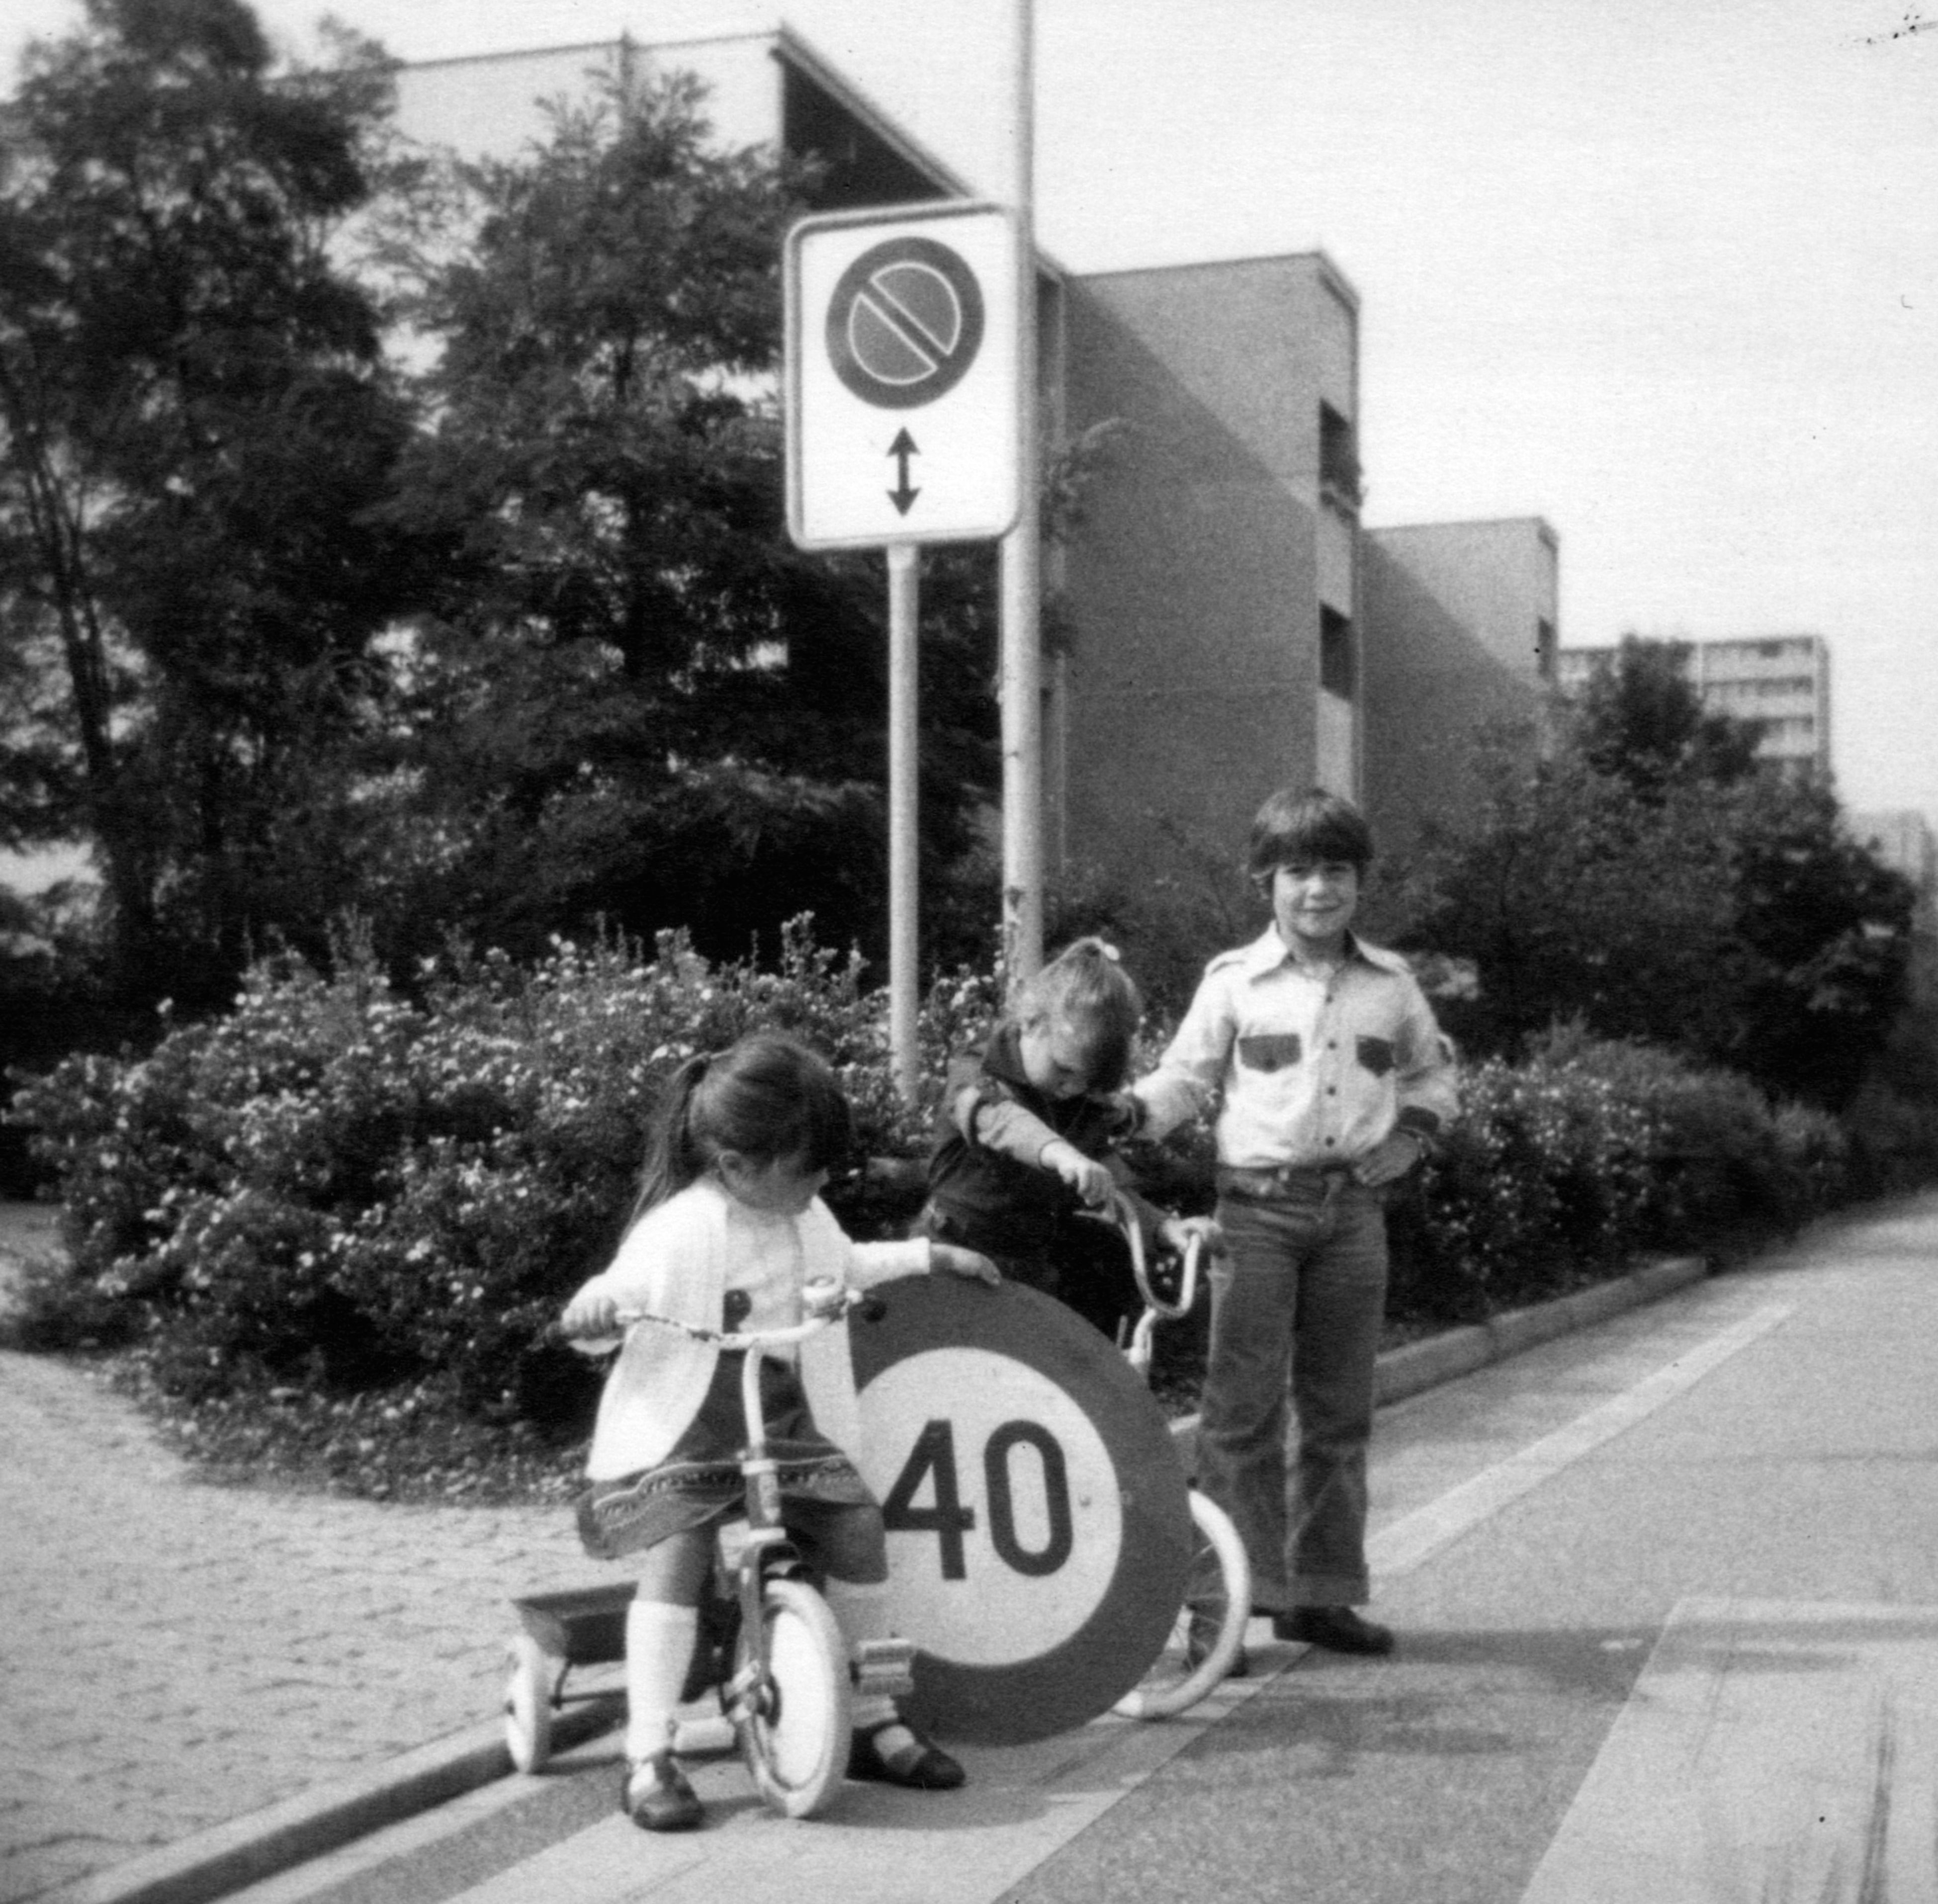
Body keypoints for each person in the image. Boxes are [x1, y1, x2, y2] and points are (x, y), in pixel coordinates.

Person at [560, 1031, 1000, 1832]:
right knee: (680, 1551)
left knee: (857, 1525)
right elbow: (616, 1295)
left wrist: (932, 1256)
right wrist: (592, 1311)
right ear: (737, 1167)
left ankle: (870, 1714)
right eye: (809, 1166)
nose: (824, 1180)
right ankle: (649, 1750)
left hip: (781, 1418)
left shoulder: (807, 1215)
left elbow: (851, 1264)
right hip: (689, 1426)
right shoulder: (680, 1228)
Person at [1124, 789, 1457, 1661]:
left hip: (1351, 1217)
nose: (1317, 890)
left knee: (1339, 1412)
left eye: (1335, 871)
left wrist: (1410, 1139)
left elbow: (1430, 1079)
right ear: (1264, 882)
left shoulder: (1391, 987)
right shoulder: (1234, 982)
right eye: (1298, 872)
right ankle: (1226, 1609)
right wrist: (1121, 1118)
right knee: (1239, 1414)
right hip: (1255, 1217)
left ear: (1359, 882)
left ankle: (1320, 1596)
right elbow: (1185, 1081)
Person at [917, 936, 1218, 1339]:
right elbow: (1001, 1122)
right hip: (949, 1250)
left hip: (1030, 1267)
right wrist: (1062, 1154)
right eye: (1064, 1069)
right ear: (1030, 1022)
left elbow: (1111, 1185)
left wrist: (1163, 1228)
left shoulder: (1081, 1103)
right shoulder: (978, 1071)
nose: (1072, 1088)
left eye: (1087, 1080)